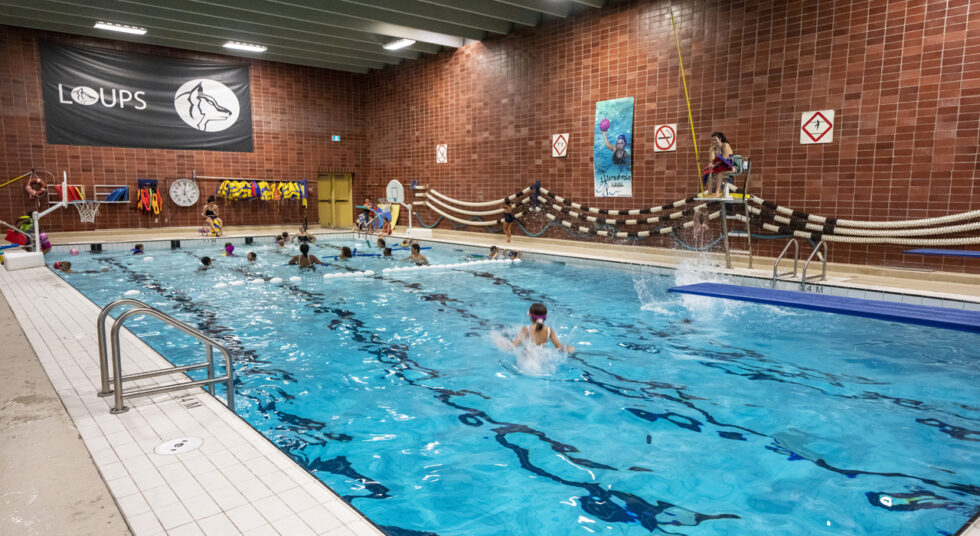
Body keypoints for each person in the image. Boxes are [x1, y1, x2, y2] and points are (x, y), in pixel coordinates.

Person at [702, 131, 735, 198]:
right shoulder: (712, 149)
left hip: (730, 165)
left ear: (720, 139)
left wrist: (714, 165)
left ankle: (717, 192)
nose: (714, 142)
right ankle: (710, 192)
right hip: (719, 166)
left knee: (720, 173)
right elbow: (712, 160)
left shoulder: (725, 145)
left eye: (715, 139)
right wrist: (711, 165)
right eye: (712, 140)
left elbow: (725, 159)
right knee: (709, 172)